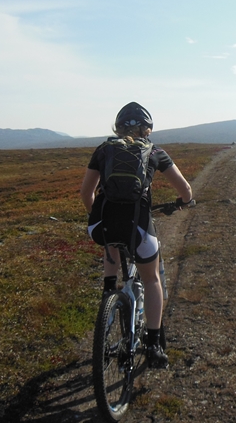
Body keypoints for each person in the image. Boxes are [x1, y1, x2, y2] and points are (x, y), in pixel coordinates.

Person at [80, 102, 193, 369]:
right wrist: (184, 201)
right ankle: (153, 345)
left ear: (117, 128)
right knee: (151, 279)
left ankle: (109, 294)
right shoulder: (155, 151)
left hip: (103, 226)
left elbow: (86, 193)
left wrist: (97, 215)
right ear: (147, 129)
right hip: (138, 227)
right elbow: (186, 190)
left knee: (112, 243)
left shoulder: (104, 149)